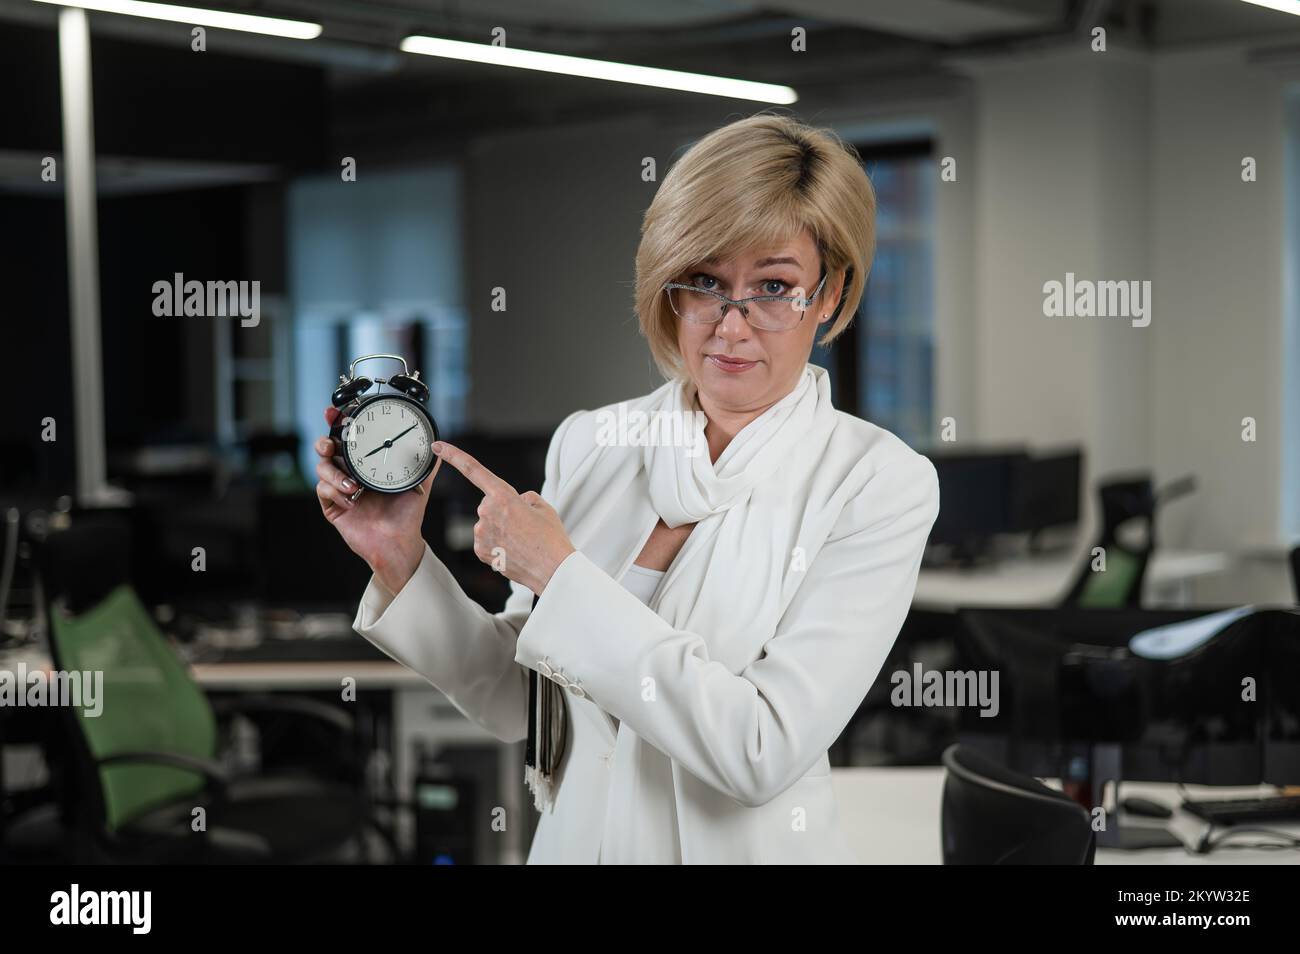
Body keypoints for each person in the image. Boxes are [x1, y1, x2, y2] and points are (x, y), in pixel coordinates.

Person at [314, 112, 940, 863]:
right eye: (706, 283)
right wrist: (401, 559)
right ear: (670, 290)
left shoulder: (876, 483)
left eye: (775, 287)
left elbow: (761, 748)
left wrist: (561, 574)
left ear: (831, 295)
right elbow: (525, 703)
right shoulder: (593, 443)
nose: (732, 327)